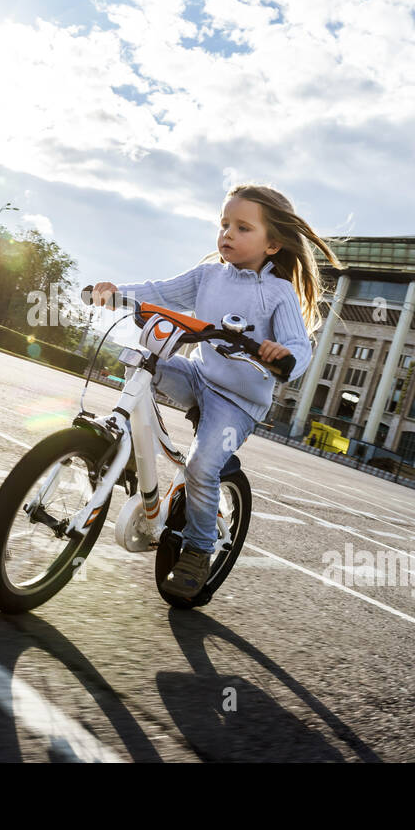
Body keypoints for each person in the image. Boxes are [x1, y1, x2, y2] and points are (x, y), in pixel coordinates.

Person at [91, 185, 344, 601]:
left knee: (202, 467)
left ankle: (198, 551)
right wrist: (115, 292)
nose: (228, 233)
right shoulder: (208, 275)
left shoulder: (277, 293)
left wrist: (282, 355)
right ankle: (127, 454)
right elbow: (160, 291)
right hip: (198, 377)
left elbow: (300, 351)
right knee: (139, 360)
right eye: (224, 224)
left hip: (238, 402)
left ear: (273, 243)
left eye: (243, 227)